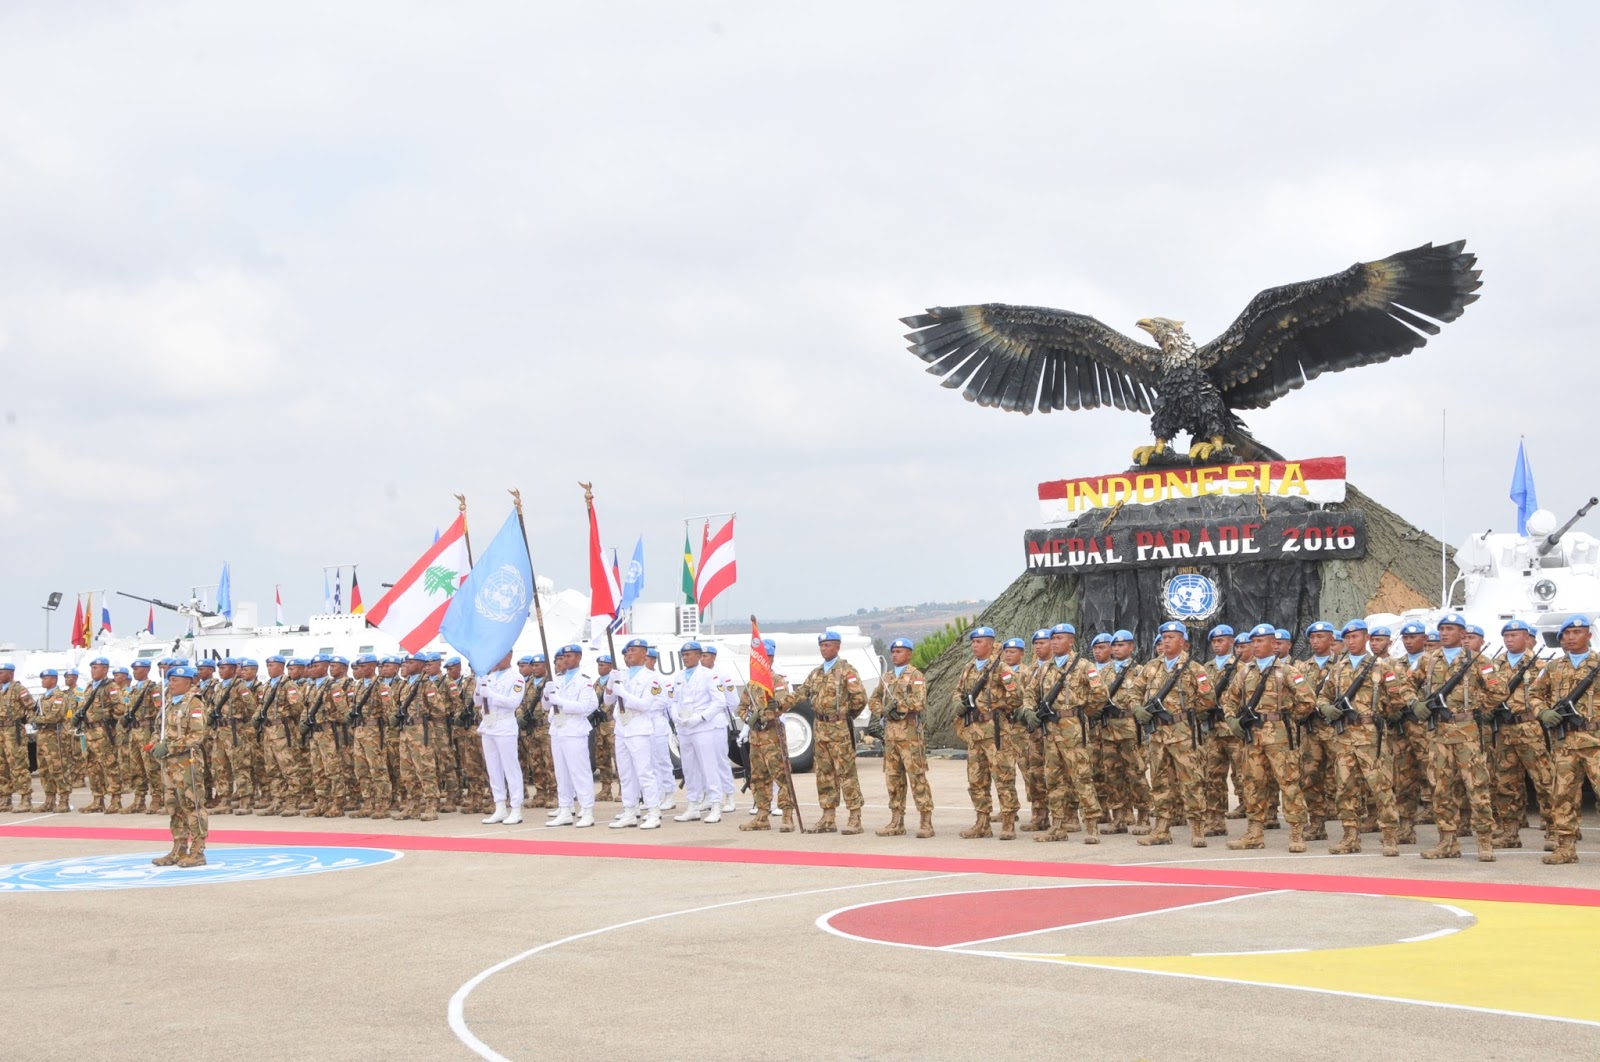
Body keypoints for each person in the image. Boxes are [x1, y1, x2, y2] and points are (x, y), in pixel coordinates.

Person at [1410, 612, 1503, 861]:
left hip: (1467, 734)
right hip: (1438, 735)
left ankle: (1484, 842)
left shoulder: (1477, 660)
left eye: (1450, 629)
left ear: (1462, 634)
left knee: (1477, 788)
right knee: (1441, 790)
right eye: (1442, 629)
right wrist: (1415, 703)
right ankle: (1447, 842)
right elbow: (1406, 684)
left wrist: (1474, 707)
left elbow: (1498, 690)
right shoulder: (1428, 660)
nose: (1444, 633)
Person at [1314, 620, 1409, 857]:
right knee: (1345, 787)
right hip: (1344, 737)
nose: (1350, 641)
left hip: (1370, 737)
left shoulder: (1382, 667)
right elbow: (1322, 697)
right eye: (1347, 638)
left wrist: (1377, 714)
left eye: (1355, 637)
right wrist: (1326, 709)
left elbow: (1398, 700)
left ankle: (1389, 836)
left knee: (1381, 787)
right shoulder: (1337, 668)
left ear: (1366, 637)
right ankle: (1350, 837)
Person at [1221, 624, 1313, 853]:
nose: (1255, 645)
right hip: (1253, 735)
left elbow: (1307, 701)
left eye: (1260, 641)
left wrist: (1289, 719)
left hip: (1280, 735)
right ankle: (1254, 833)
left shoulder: (1288, 671)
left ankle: (1296, 831)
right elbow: (1229, 700)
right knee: (1253, 783)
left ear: (1273, 644)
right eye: (1253, 642)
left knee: (1288, 782)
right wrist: (1233, 721)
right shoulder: (1244, 671)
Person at [1135, 622, 1215, 848]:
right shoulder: (1151, 667)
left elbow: (1208, 699)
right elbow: (1134, 692)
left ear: (1183, 641)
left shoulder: (1194, 668)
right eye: (1163, 637)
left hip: (1182, 734)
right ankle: (1161, 829)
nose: (1166, 641)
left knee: (1191, 781)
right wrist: (1137, 709)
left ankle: (1197, 829)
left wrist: (1188, 714)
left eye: (1171, 637)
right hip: (1157, 734)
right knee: (1160, 781)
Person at [1529, 615, 1600, 865]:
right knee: (1563, 795)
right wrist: (1543, 712)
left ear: (1589, 635)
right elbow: (1534, 695)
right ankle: (1565, 847)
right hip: (1564, 742)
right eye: (1565, 634)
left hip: (1595, 741)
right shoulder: (1553, 667)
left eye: (1576, 632)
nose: (1570, 637)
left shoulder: (1597, 663)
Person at [781, 630, 867, 835]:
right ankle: (828, 817)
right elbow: (801, 693)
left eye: (827, 645)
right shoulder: (817, 673)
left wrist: (845, 717)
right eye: (821, 646)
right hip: (820, 729)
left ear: (837, 647)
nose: (823, 649)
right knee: (824, 774)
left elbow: (860, 699)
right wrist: (781, 704)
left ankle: (855, 817)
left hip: (839, 730)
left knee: (846, 773)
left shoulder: (847, 671)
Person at [1029, 626, 1104, 844]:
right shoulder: (1045, 668)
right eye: (1052, 638)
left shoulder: (1083, 666)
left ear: (1071, 641)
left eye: (1059, 638)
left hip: (1073, 730)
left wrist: (1082, 712)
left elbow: (1100, 694)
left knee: (1081, 777)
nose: (1054, 642)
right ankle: (1058, 825)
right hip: (1050, 731)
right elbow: (1029, 693)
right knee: (1053, 778)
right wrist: (1028, 710)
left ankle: (1091, 825)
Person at [951, 626, 1024, 840]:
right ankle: (982, 823)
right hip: (974, 733)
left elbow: (1017, 696)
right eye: (973, 642)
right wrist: (958, 704)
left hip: (996, 732)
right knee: (976, 780)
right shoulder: (969, 668)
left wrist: (1000, 708)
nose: (975, 645)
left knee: (1003, 777)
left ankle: (1008, 822)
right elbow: (958, 690)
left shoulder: (1001, 668)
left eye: (979, 642)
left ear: (990, 644)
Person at [1490, 619, 1555, 850]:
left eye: (1514, 635)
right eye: (1506, 636)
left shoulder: (1539, 665)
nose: (1509, 640)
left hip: (1529, 728)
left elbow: (1549, 695)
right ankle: (1510, 832)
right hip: (1504, 730)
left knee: (1544, 780)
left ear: (1527, 638)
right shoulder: (1495, 664)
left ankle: (1554, 829)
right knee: (1506, 782)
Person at [868, 637, 934, 838]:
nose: (895, 654)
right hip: (890, 736)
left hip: (910, 735)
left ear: (909, 654)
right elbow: (874, 699)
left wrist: (898, 707)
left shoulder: (915, 676)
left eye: (899, 651)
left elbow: (919, 701)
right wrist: (883, 710)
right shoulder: (886, 677)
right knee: (893, 779)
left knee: (917, 777)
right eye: (893, 651)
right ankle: (897, 820)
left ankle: (926, 821)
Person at [148, 665, 209, 868]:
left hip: (187, 762)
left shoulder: (194, 704)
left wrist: (170, 746)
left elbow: (197, 736)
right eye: (170, 680)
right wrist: (156, 743)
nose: (170, 684)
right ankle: (179, 848)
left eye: (175, 680)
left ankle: (198, 850)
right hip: (169, 764)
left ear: (188, 683)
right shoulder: (168, 704)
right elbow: (160, 729)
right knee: (174, 806)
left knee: (192, 806)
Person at [737, 640, 798, 832]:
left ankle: (787, 816)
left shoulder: (778, 681)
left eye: (764, 658)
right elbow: (741, 707)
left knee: (781, 776)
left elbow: (785, 702)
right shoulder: (752, 684)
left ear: (770, 659)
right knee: (758, 777)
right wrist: (749, 718)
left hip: (773, 735)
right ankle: (762, 815)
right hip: (756, 738)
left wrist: (772, 709)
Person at [608, 638, 666, 830]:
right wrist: (611, 683)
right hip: (622, 728)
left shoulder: (651, 678)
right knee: (625, 774)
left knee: (644, 772)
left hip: (639, 729)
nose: (628, 654)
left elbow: (645, 705)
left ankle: (653, 812)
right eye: (626, 652)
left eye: (632, 650)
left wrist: (622, 692)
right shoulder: (621, 675)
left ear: (644, 653)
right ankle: (629, 811)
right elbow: (608, 700)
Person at [544, 644, 599, 828]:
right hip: (558, 729)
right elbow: (546, 707)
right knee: (561, 773)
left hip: (575, 730)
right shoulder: (557, 680)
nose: (565, 659)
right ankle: (565, 809)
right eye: (564, 656)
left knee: (580, 772)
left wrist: (560, 701)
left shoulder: (584, 680)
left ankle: (587, 811)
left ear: (578, 658)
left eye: (569, 656)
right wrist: (546, 695)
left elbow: (584, 707)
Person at [670, 641, 725, 823]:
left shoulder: (709, 675)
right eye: (683, 655)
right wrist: (675, 716)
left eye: (688, 654)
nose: (685, 658)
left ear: (698, 655)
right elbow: (673, 700)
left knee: (708, 766)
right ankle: (693, 804)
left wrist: (701, 717)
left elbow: (719, 702)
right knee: (689, 767)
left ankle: (716, 804)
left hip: (701, 727)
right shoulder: (678, 676)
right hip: (684, 727)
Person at [474, 650, 527, 825]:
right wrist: (478, 687)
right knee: (493, 768)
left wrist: (492, 695)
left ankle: (516, 808)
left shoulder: (516, 678)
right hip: (488, 726)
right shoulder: (489, 676)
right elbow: (477, 703)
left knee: (510, 767)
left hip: (504, 725)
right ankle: (500, 807)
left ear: (510, 655)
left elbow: (513, 702)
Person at [697, 643, 739, 813]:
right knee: (703, 762)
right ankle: (709, 795)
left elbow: (733, 701)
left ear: (714, 657)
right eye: (701, 656)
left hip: (716, 722)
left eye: (705, 656)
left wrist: (718, 711)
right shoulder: (697, 675)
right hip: (700, 723)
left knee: (720, 760)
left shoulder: (722, 674)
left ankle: (729, 796)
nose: (702, 659)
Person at [592, 656, 619, 802]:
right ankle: (606, 790)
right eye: (599, 665)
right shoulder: (596, 682)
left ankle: (622, 790)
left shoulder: (614, 681)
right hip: (599, 725)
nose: (600, 667)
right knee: (602, 758)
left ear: (610, 666)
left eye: (603, 665)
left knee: (618, 757)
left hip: (611, 723)